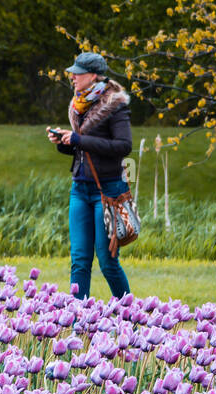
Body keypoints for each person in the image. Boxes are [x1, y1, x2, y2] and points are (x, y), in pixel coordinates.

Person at [47, 52, 133, 301]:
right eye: (72, 72)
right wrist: (64, 142)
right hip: (80, 190)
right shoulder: (79, 104)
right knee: (79, 262)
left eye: (78, 73)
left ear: (93, 76)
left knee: (108, 262)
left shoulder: (114, 105)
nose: (72, 77)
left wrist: (79, 139)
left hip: (108, 191)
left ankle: (132, 320)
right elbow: (83, 149)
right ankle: (76, 326)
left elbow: (123, 146)